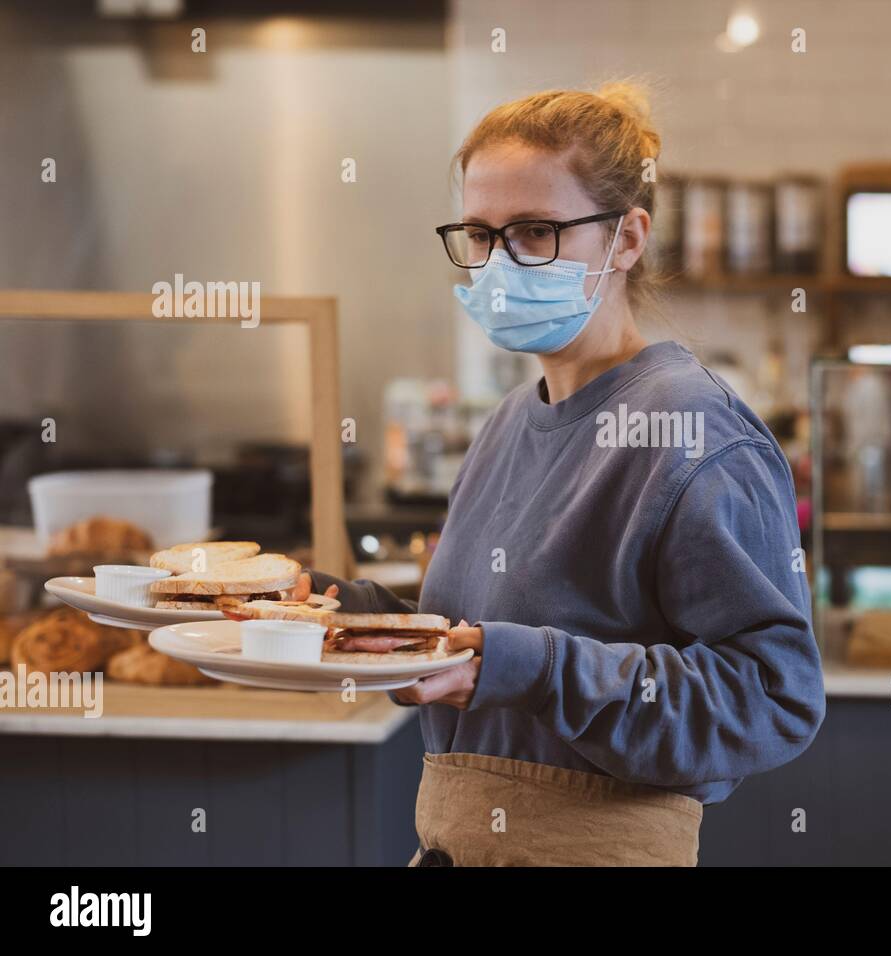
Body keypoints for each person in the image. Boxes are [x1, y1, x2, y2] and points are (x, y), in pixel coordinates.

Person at [302, 81, 825, 866]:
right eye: (480, 234)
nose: (500, 262)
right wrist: (342, 612)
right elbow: (489, 635)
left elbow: (771, 697)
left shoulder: (696, 431)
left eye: (537, 231)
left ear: (627, 238)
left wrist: (527, 666)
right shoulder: (512, 421)